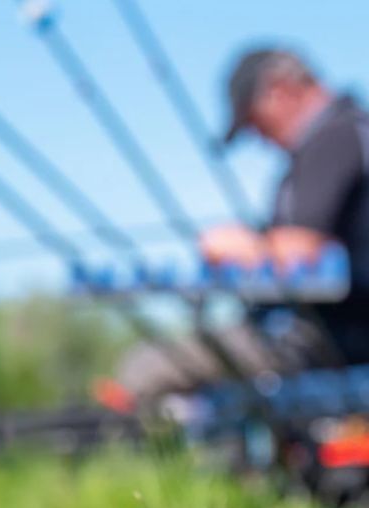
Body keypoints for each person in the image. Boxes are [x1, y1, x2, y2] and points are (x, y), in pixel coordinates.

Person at [119, 47, 369, 404]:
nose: (260, 138)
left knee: (147, 368)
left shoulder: (335, 137)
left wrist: (242, 244)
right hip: (322, 333)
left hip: (330, 338)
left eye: (255, 122)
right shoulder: (348, 133)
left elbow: (301, 248)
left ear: (280, 91)